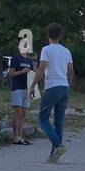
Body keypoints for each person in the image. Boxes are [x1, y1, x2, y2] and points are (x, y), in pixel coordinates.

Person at [36, 23, 74, 162]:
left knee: (43, 119)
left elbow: (41, 69)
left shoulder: (46, 49)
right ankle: (54, 154)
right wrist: (68, 84)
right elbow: (71, 71)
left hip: (52, 86)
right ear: (60, 35)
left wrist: (33, 85)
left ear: (47, 35)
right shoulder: (66, 51)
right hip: (64, 87)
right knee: (59, 122)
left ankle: (58, 145)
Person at [8, 47, 33, 145]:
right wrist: (21, 72)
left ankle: (21, 136)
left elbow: (32, 75)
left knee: (23, 114)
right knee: (17, 113)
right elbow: (10, 73)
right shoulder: (16, 58)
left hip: (26, 89)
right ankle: (16, 137)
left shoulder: (29, 60)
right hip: (17, 88)